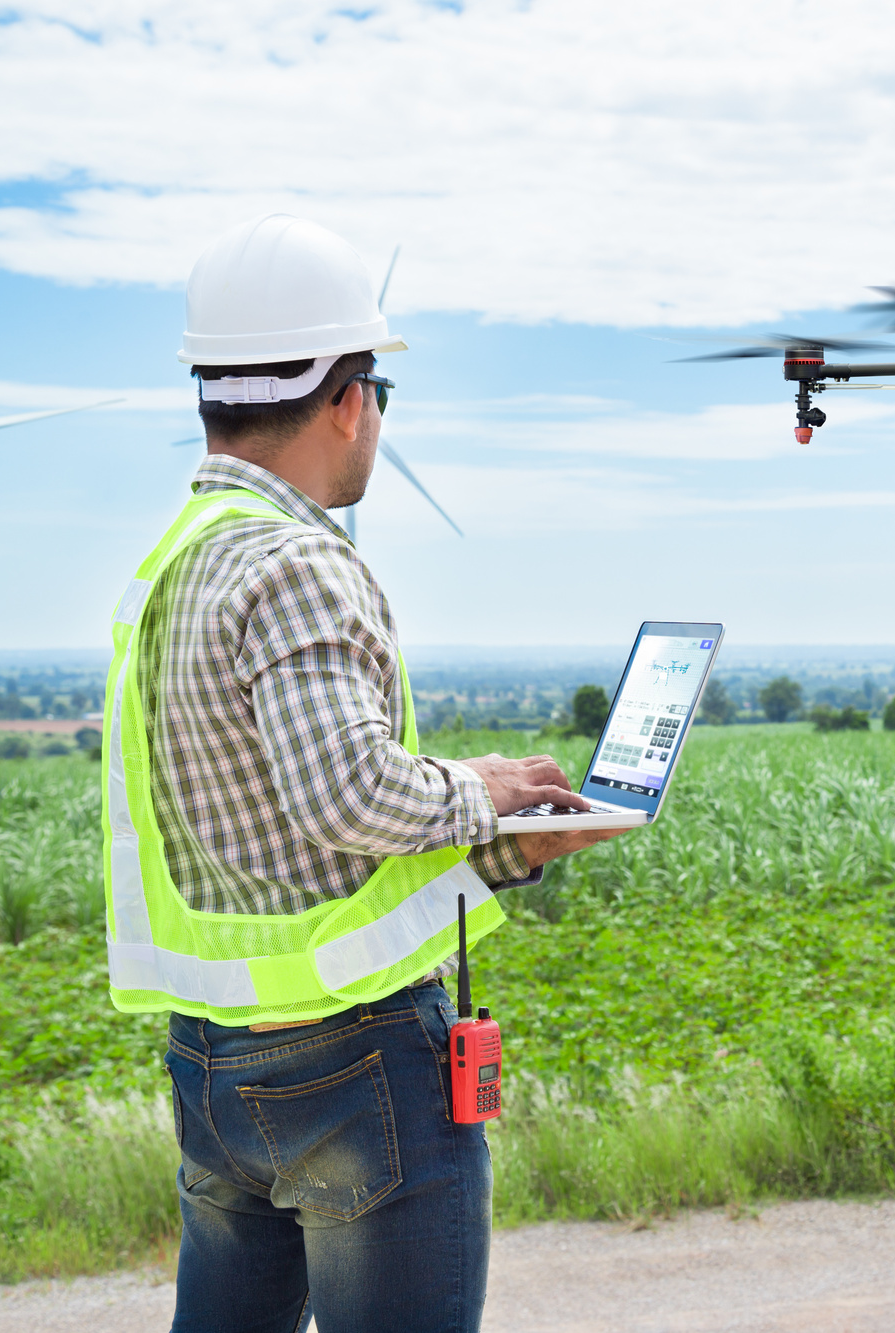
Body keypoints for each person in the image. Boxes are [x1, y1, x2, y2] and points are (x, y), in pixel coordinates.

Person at [100, 214, 616, 1332]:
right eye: (378, 390)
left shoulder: (178, 560)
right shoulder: (295, 562)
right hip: (350, 1064)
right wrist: (482, 795)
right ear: (346, 397)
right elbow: (342, 795)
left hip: (212, 1056)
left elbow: (277, 819)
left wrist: (491, 827)